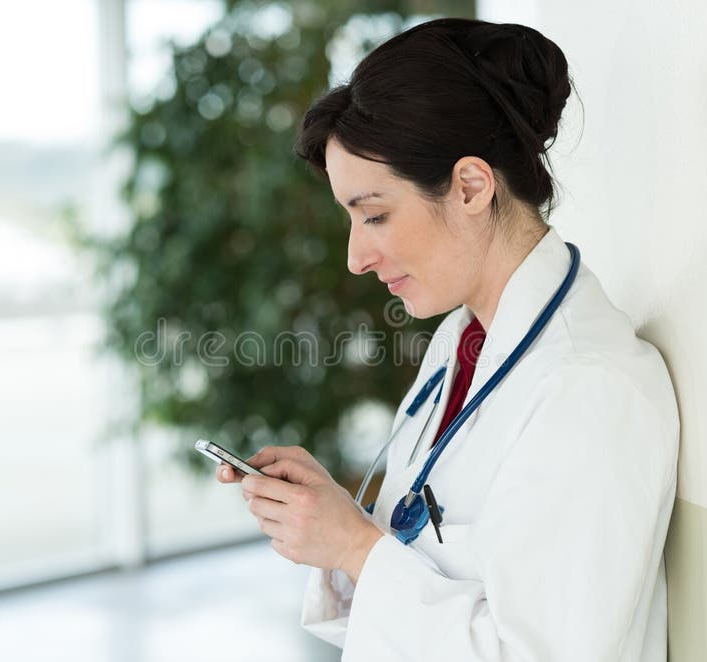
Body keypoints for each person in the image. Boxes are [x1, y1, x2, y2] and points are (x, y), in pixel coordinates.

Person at [217, 17, 678, 661]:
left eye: (374, 214)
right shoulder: (462, 343)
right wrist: (331, 520)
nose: (356, 256)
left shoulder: (589, 387)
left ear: (470, 186)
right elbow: (421, 563)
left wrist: (354, 545)